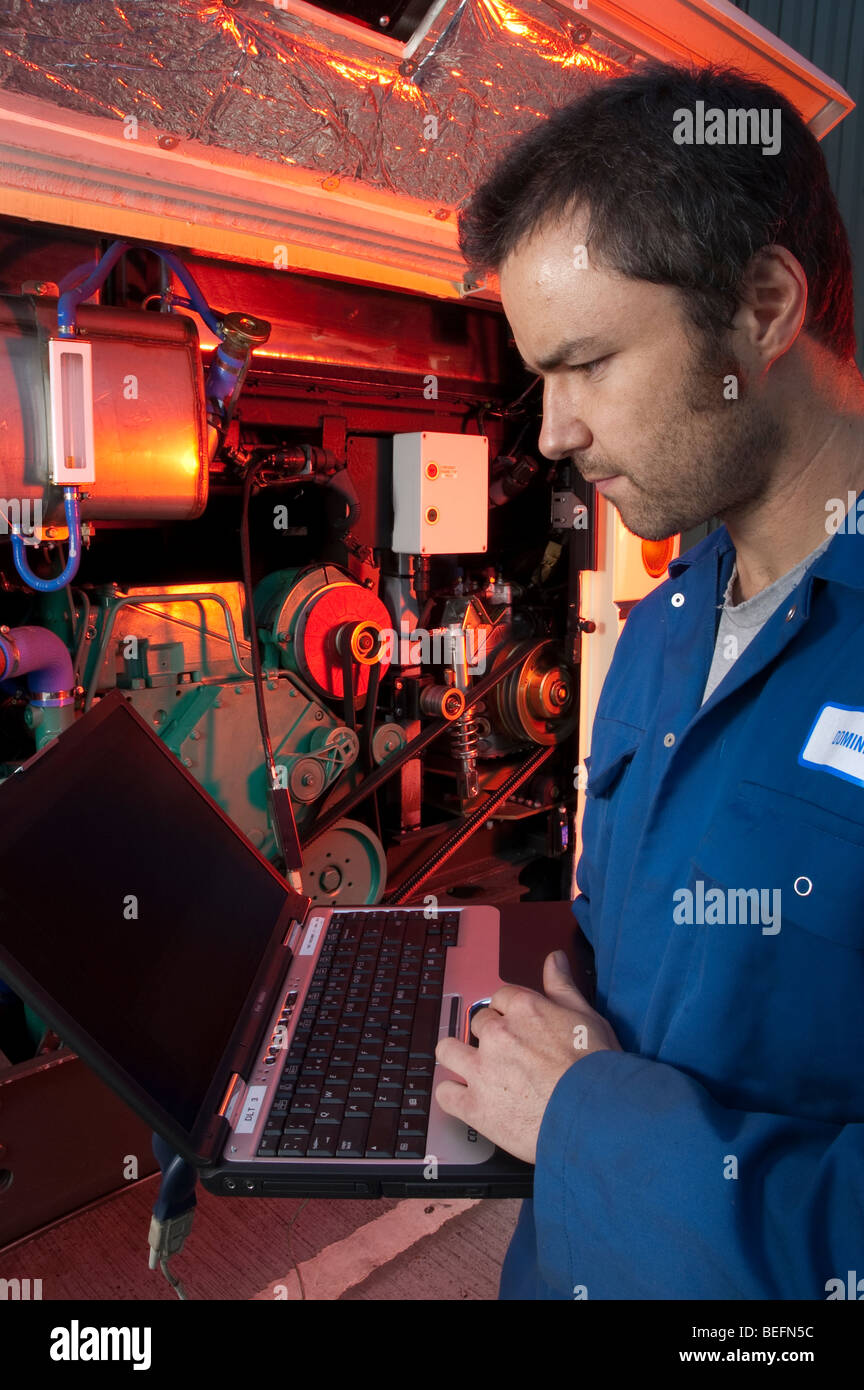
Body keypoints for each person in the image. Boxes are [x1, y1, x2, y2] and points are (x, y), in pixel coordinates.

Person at [433, 61, 864, 1300]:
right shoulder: (670, 620)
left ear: (764, 307)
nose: (551, 432)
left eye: (588, 363)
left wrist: (582, 1114)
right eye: (537, 374)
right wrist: (477, 1000)